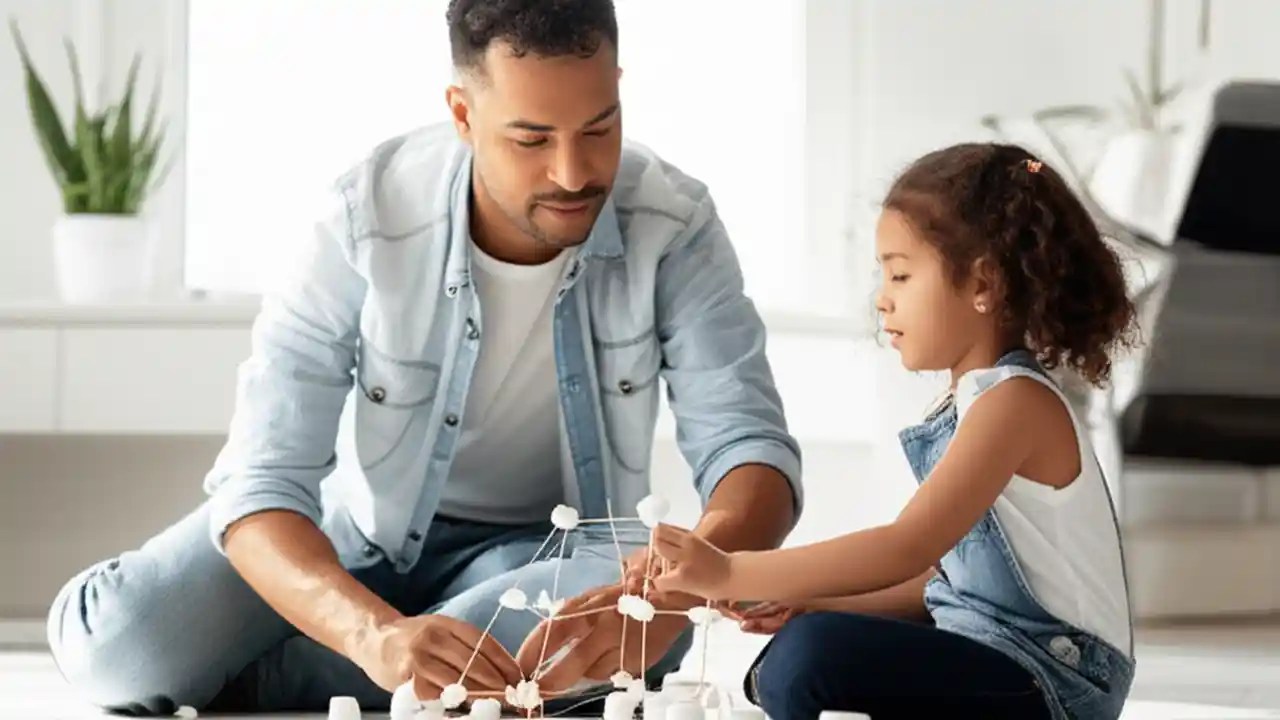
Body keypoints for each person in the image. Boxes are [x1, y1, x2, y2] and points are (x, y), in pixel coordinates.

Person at [45, 0, 802, 713]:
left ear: (619, 90)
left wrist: (674, 591)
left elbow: (750, 451)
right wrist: (370, 632)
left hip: (546, 557)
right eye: (532, 139)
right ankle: (395, 666)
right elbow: (261, 481)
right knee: (127, 646)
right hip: (353, 540)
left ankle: (323, 670)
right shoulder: (363, 216)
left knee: (613, 630)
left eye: (598, 128)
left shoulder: (675, 223)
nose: (573, 173)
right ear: (464, 116)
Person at [648, 144, 1138, 720]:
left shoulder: (1014, 404)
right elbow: (949, 584)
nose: (882, 299)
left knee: (810, 658)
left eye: (901, 274)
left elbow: (906, 547)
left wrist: (730, 569)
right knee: (800, 647)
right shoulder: (974, 402)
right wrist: (814, 600)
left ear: (984, 283)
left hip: (1056, 679)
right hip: (999, 655)